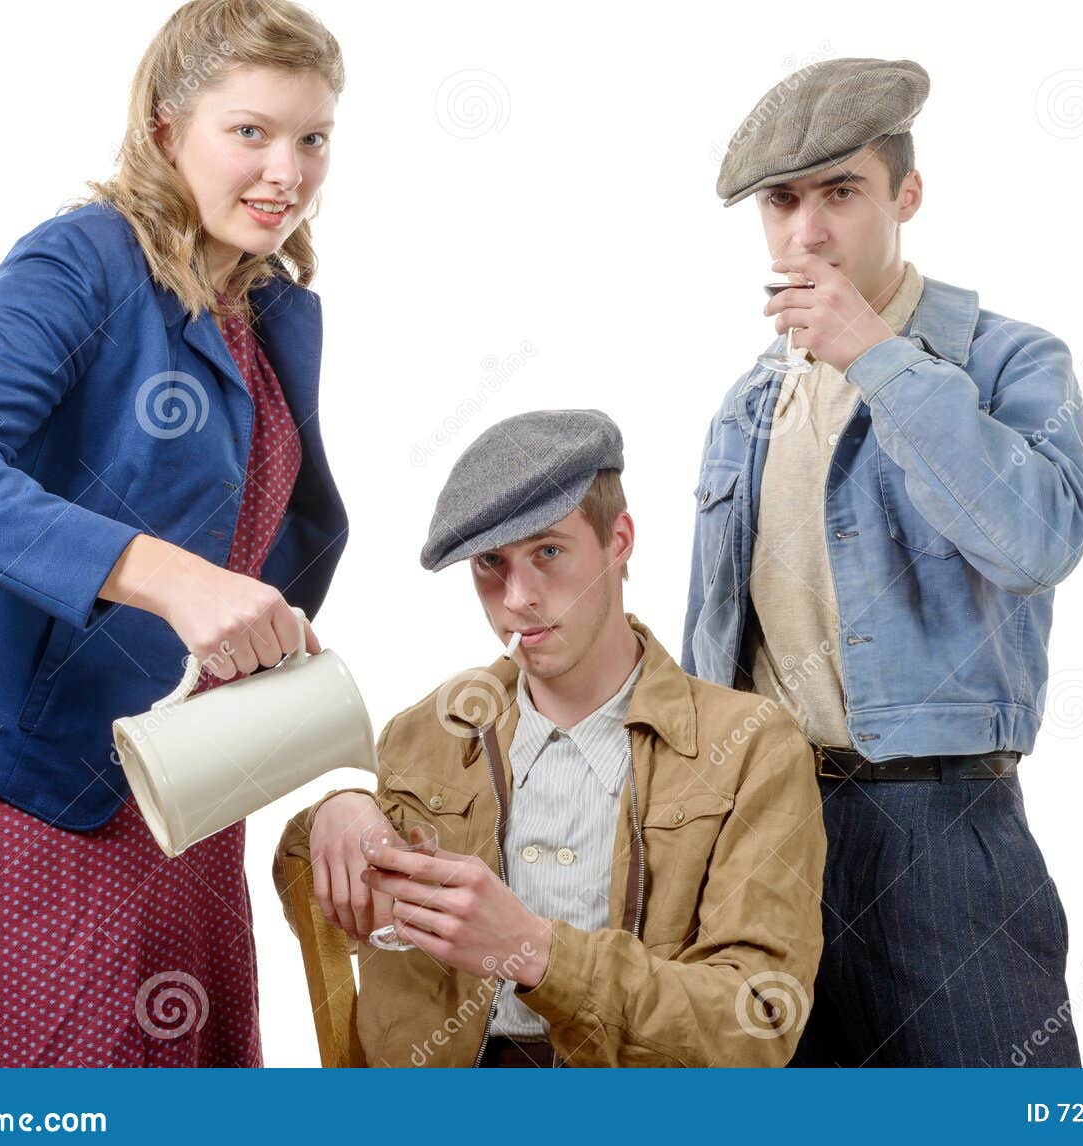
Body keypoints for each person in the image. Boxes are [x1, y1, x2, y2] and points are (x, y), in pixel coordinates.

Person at [0, 0, 346, 1067]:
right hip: (19, 786)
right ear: (167, 130)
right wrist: (164, 578)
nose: (286, 172)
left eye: (312, 138)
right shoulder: (84, 262)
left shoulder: (275, 308)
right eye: (249, 132)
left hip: (185, 789)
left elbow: (261, 533)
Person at [684, 58, 1083, 1066]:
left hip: (940, 830)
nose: (808, 232)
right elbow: (714, 644)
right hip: (769, 837)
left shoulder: (1006, 362)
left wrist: (876, 355)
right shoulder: (748, 404)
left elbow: (1034, 540)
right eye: (783, 201)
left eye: (841, 193)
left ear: (905, 196)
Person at [290, 410, 826, 1066]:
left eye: (548, 551)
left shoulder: (751, 749)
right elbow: (330, 892)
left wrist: (535, 952)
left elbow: (759, 1022)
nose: (517, 598)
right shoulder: (425, 733)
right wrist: (339, 806)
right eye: (491, 562)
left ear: (618, 539)